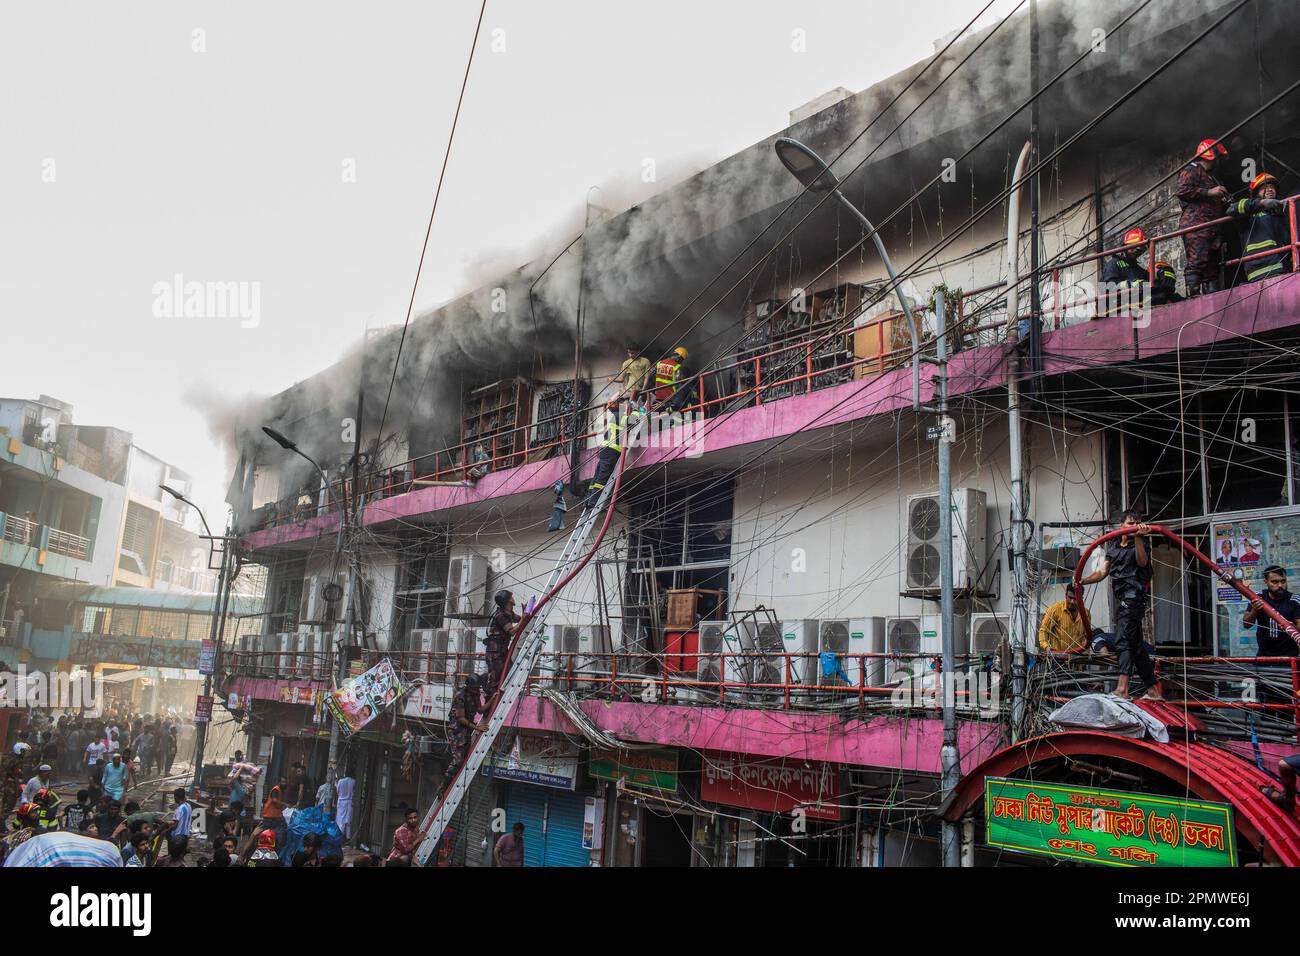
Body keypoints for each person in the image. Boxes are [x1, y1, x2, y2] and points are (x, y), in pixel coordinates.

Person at [1079, 511, 1163, 700]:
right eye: (1131, 523)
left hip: (1134, 598)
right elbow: (1101, 572)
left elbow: (1142, 562)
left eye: (1138, 523)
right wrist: (1082, 580)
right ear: (1121, 526)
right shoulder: (1114, 547)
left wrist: (1140, 538)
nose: (1135, 526)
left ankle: (1122, 688)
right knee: (1136, 646)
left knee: (1123, 639)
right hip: (1122, 599)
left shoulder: (1140, 544)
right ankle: (1152, 689)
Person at [1176, 138, 1229, 296]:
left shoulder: (1211, 177)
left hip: (1211, 227)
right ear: (1212, 156)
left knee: (1212, 266)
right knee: (1197, 262)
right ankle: (1193, 295)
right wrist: (1209, 192)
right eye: (1218, 157)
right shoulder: (1192, 169)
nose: (1220, 161)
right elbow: (1182, 191)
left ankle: (1212, 295)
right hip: (1196, 226)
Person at [1227, 172, 1291, 285]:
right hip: (1259, 273)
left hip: (1282, 271)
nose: (1270, 189)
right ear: (1256, 193)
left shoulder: (1279, 216)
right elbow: (1232, 209)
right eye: (1264, 187)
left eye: (1272, 187)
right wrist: (1261, 203)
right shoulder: (1248, 216)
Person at [585, 400, 643, 508]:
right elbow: (633, 421)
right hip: (611, 450)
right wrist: (636, 410)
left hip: (605, 450)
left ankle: (588, 500)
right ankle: (593, 501)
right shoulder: (619, 416)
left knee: (597, 476)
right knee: (602, 478)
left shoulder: (614, 416)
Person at [1241, 565, 1300, 658]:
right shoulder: (1258, 597)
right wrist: (1254, 610)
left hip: (1290, 658)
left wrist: (1291, 628)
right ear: (1266, 582)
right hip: (1263, 657)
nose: (1280, 585)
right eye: (1275, 582)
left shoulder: (1294, 600)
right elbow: (1246, 624)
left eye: (1283, 581)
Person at [1099, 227, 1149, 316]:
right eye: (1134, 248)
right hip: (1119, 305)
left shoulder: (1138, 269)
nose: (1137, 252)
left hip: (1139, 304)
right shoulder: (1114, 263)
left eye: (1140, 250)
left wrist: (1162, 272)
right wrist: (1130, 285)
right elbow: (1108, 287)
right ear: (1125, 246)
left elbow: (1150, 285)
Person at [446, 675, 486, 776]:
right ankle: (446, 785)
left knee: (466, 758)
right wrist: (477, 728)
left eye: (477, 688)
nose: (475, 690)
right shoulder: (461, 696)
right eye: (473, 688)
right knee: (458, 761)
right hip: (457, 730)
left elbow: (480, 710)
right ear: (468, 686)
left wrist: (491, 701)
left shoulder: (476, 693)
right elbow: (460, 718)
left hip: (467, 728)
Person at [484, 589, 521, 697]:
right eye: (511, 597)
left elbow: (519, 619)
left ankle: (501, 696)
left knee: (510, 671)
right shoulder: (500, 615)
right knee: (495, 680)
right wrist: (523, 619)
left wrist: (527, 613)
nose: (513, 598)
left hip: (502, 651)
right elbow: (512, 631)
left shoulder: (508, 613)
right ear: (507, 601)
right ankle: (490, 702)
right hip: (495, 653)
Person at [1037, 587, 1088, 653]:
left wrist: (1084, 646)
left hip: (1077, 658)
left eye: (1075, 599)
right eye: (1070, 597)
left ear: (1081, 598)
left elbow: (1086, 635)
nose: (1072, 601)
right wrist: (1046, 647)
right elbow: (1043, 630)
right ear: (1065, 595)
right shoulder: (1055, 609)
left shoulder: (1085, 613)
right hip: (1058, 658)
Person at [652, 346, 691, 413]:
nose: (681, 362)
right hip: (670, 398)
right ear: (679, 358)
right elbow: (679, 382)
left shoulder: (659, 363)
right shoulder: (677, 366)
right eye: (682, 360)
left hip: (658, 396)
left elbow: (651, 375)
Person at [260, 777, 288, 851]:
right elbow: (274, 800)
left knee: (273, 836)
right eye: (283, 782)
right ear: (279, 782)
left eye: (285, 782)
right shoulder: (276, 789)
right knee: (266, 836)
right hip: (269, 817)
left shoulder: (280, 791)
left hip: (274, 817)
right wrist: (286, 804)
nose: (284, 783)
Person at [335, 770, 356, 841]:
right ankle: (348, 837)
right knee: (348, 821)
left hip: (341, 802)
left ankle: (339, 837)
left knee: (340, 820)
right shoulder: (353, 781)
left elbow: (337, 791)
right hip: (349, 802)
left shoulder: (340, 781)